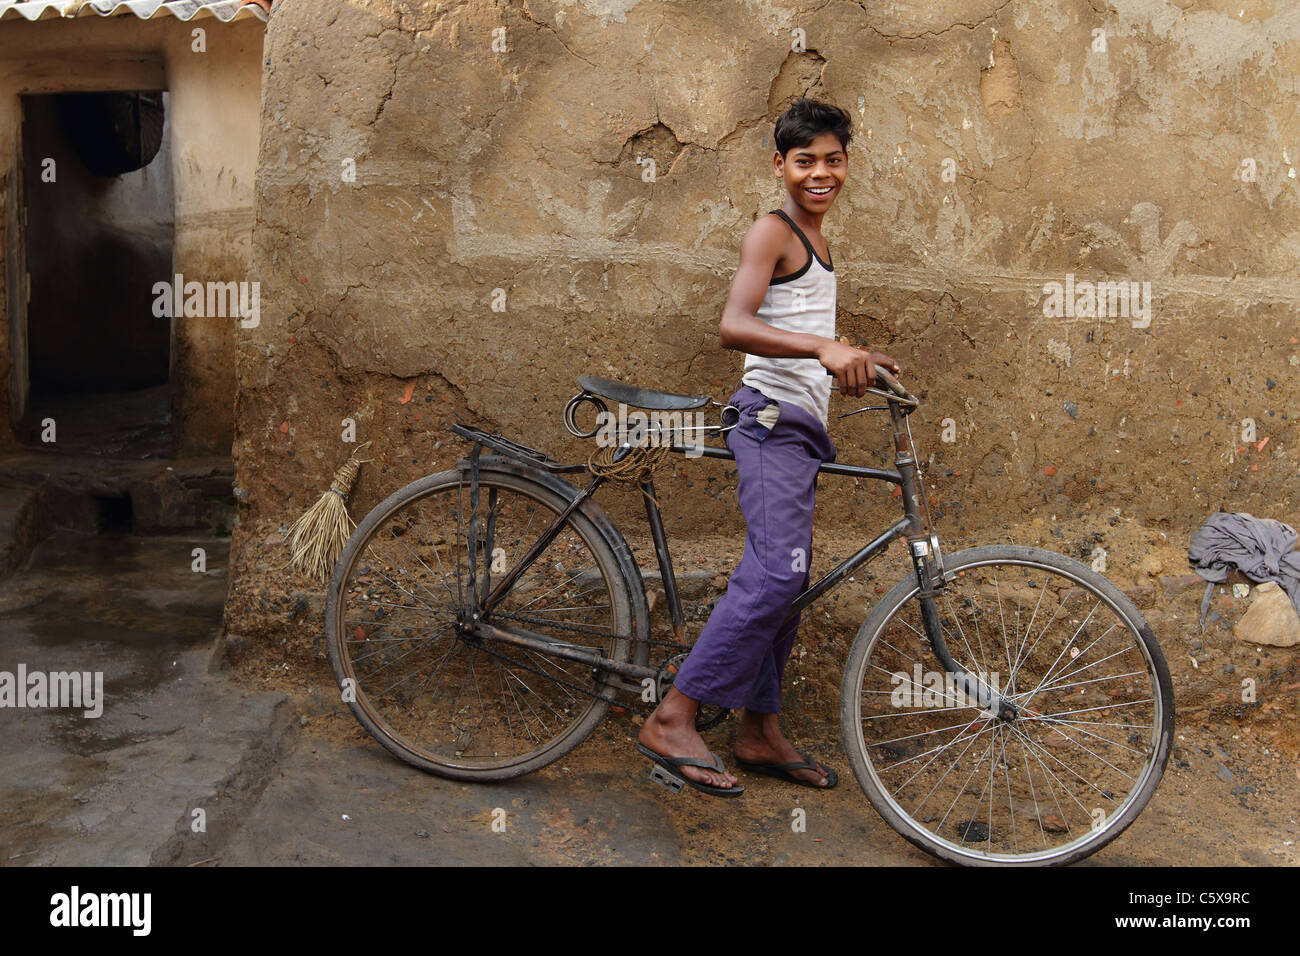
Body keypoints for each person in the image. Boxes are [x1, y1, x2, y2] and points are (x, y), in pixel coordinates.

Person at [636, 98, 902, 796]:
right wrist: (821, 345)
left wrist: (850, 359)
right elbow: (734, 324)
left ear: (847, 164)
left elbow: (802, 326)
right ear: (779, 165)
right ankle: (674, 716)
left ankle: (758, 728)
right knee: (778, 575)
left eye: (833, 160)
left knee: (788, 581)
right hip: (767, 423)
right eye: (805, 160)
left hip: (801, 430)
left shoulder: (816, 243)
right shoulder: (773, 232)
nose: (821, 172)